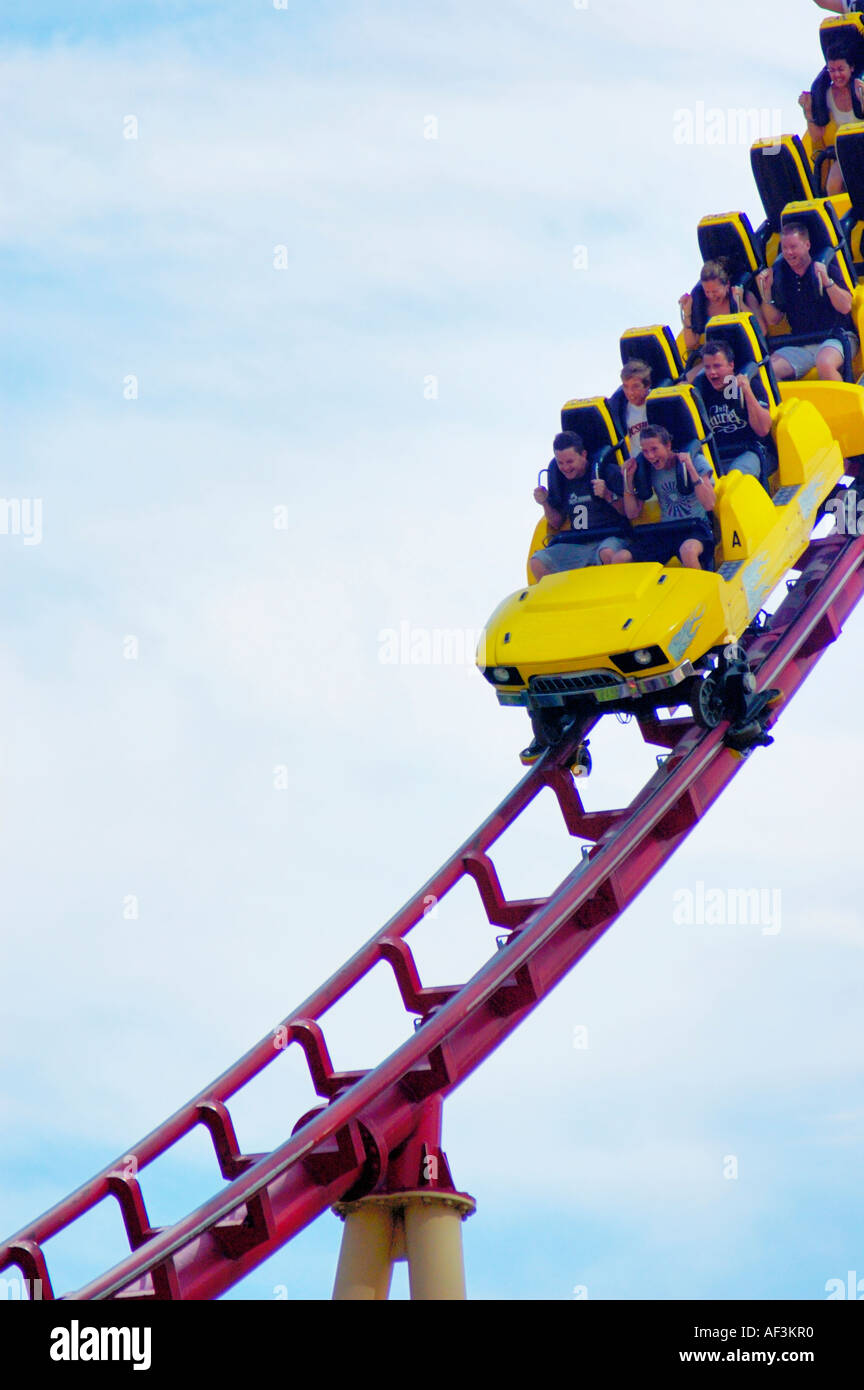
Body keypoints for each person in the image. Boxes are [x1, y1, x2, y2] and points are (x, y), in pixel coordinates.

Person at [530, 430, 640, 579]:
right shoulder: (561, 482)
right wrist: (544, 503)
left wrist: (608, 494)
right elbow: (556, 523)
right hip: (579, 544)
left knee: (607, 553)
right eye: (560, 463)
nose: (566, 468)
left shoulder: (607, 472)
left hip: (612, 538)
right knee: (538, 561)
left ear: (583, 455)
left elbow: (629, 513)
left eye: (570, 462)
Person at [755, 221, 857, 381]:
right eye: (784, 248)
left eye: (793, 247)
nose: (788, 252)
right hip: (803, 343)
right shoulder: (782, 275)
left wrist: (827, 281)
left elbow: (846, 307)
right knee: (769, 371)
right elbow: (773, 320)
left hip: (838, 337)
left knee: (824, 363)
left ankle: (848, 405)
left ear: (807, 245)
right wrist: (766, 291)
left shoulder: (826, 266)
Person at [606, 426, 717, 571]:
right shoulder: (647, 469)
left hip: (696, 527)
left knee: (687, 551)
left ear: (668, 445)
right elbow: (632, 513)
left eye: (654, 449)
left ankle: (703, 591)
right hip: (667, 530)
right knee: (620, 558)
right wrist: (628, 478)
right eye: (645, 451)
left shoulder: (697, 461)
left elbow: (709, 504)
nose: (650, 456)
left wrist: (690, 469)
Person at [691, 339, 773, 484]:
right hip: (718, 457)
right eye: (707, 367)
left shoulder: (751, 384)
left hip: (753, 452)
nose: (712, 373)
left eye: (717, 366)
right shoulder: (701, 389)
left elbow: (763, 429)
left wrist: (747, 391)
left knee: (736, 480)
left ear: (731, 365)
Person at [799, 43, 864, 194]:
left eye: (841, 69)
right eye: (832, 70)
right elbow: (817, 135)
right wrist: (808, 112)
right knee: (833, 184)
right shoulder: (827, 95)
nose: (836, 75)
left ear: (851, 68)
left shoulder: (860, 89)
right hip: (847, 152)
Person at [607, 360, 652, 454]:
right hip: (637, 461)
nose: (630, 392)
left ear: (647, 386)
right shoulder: (619, 410)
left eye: (635, 387)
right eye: (626, 387)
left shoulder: (657, 404)